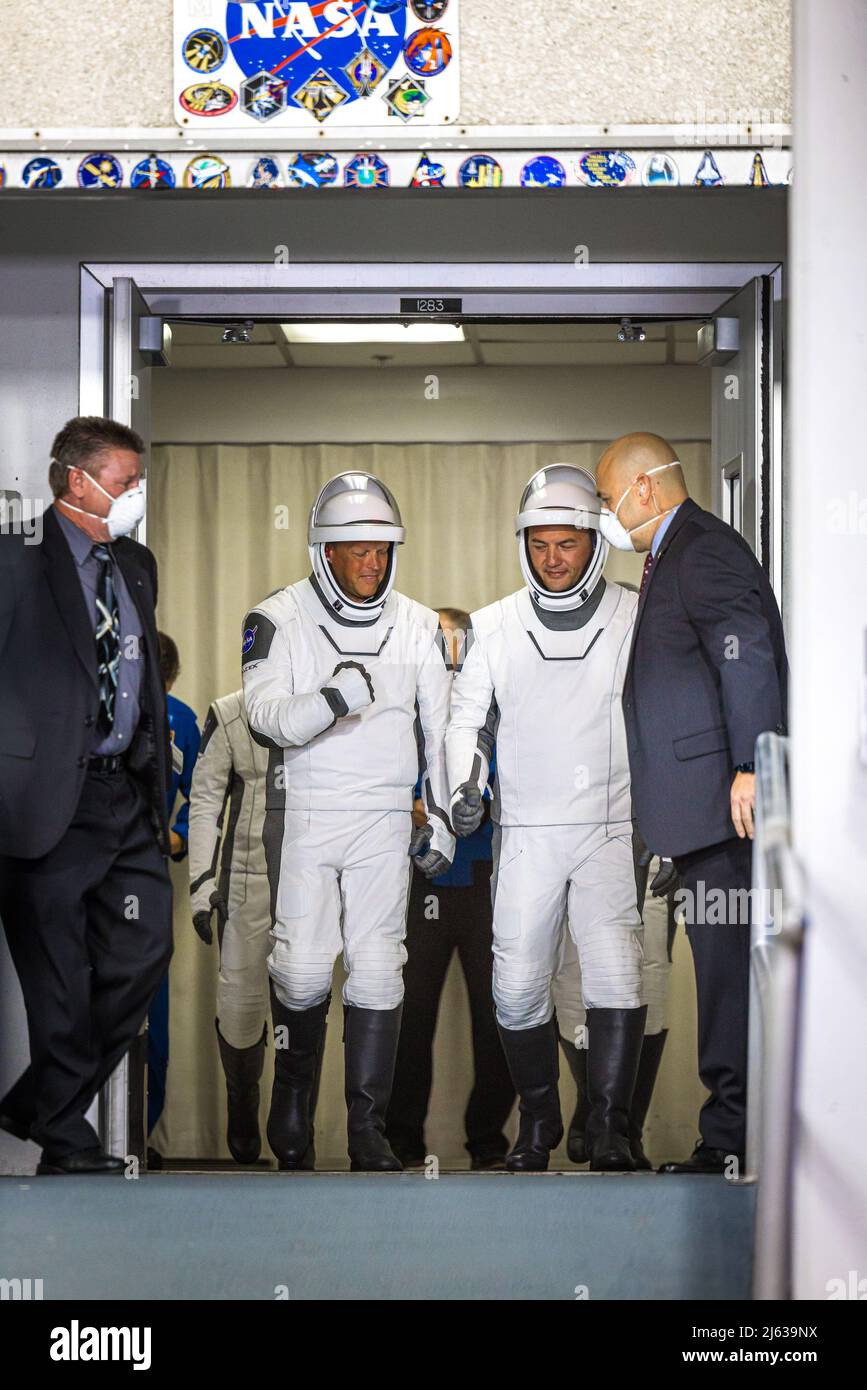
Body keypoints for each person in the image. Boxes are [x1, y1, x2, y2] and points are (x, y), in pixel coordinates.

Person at [241, 472, 454, 1172]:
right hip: (308, 810)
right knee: (300, 970)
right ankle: (292, 1112)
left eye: (381, 550)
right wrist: (332, 698)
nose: (372, 563)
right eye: (357, 550)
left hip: (384, 818)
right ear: (325, 552)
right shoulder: (278, 616)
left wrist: (444, 818)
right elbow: (264, 717)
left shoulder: (419, 625)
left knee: (377, 971)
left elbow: (442, 729)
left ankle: (367, 1127)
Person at [596, 431, 788, 1174]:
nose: (607, 519)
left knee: (727, 982)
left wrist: (748, 764)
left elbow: (747, 652)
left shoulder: (702, 549)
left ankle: (730, 1143)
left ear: (644, 489)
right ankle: (730, 1136)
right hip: (695, 815)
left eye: (610, 501)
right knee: (719, 978)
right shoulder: (672, 553)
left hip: (722, 814)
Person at [447, 464, 647, 1173]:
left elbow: (664, 708)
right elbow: (465, 723)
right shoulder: (494, 627)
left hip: (609, 825)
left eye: (566, 544)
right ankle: (539, 1122)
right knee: (515, 984)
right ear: (522, 544)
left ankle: (610, 1129)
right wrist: (463, 787)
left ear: (593, 543)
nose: (552, 559)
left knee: (616, 978)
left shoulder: (633, 614)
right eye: (539, 544)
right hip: (527, 830)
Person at [0, 416, 173, 1174]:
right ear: (78, 478)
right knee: (60, 980)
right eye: (126, 480)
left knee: (140, 954)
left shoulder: (135, 562)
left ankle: (37, 1105)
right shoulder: (14, 560)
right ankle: (67, 1141)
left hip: (123, 796)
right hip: (43, 805)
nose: (135, 493)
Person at [386, 609, 515, 1171]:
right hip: (422, 884)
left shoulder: (498, 704)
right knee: (408, 1018)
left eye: (457, 643)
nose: (450, 654)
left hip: (488, 880)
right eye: (440, 644)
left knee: (500, 1018)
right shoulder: (407, 705)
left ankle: (488, 1141)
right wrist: (412, 808)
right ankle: (400, 1143)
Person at [187, 687, 317, 1169]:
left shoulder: (332, 705)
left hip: (311, 879)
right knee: (240, 1009)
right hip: (246, 882)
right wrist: (202, 885)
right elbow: (205, 801)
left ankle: (296, 1131)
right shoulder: (230, 713)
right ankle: (242, 1102)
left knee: (304, 1003)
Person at [145, 632, 201, 1161]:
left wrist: (179, 833)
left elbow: (204, 793)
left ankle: (139, 1131)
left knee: (151, 1009)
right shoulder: (90, 705)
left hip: (148, 873)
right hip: (84, 868)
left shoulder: (181, 719)